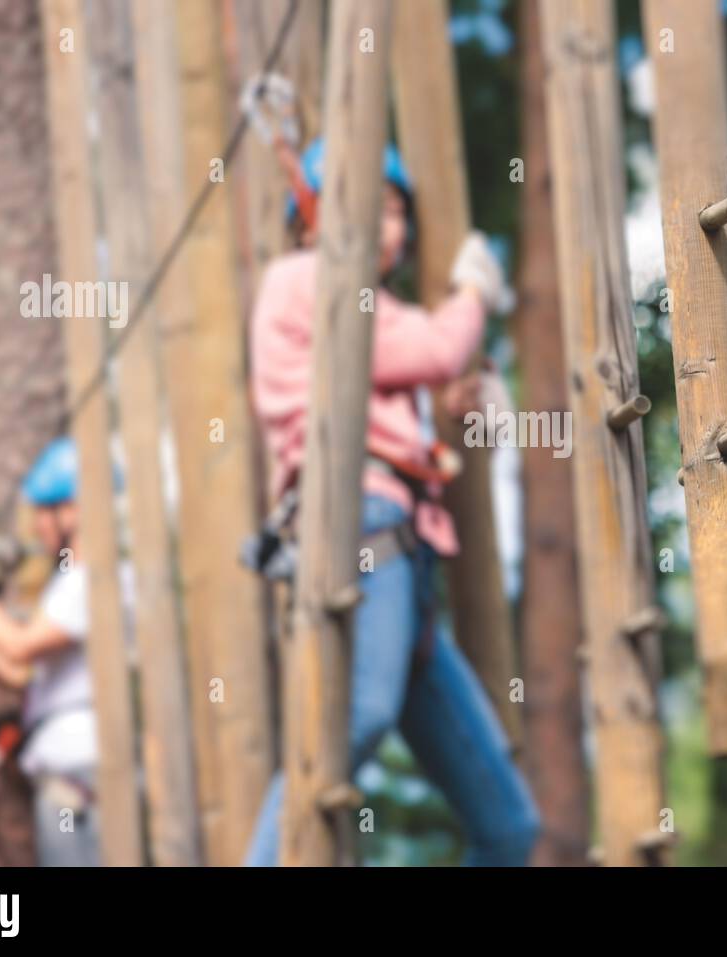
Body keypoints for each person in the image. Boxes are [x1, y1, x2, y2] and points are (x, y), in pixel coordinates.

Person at [244, 138, 541, 866]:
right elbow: (437, 347)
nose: (390, 227)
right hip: (358, 536)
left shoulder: (368, 307)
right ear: (312, 216)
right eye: (370, 208)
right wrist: (474, 294)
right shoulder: (303, 278)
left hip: (405, 567)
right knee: (357, 718)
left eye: (397, 212)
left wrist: (462, 407)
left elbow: (419, 391)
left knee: (509, 826)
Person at [0, 437, 101, 867]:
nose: (39, 529)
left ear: (72, 511)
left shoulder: (89, 581)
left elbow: (19, 646)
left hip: (78, 778)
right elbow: (20, 673)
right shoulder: (72, 585)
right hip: (72, 778)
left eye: (45, 514)